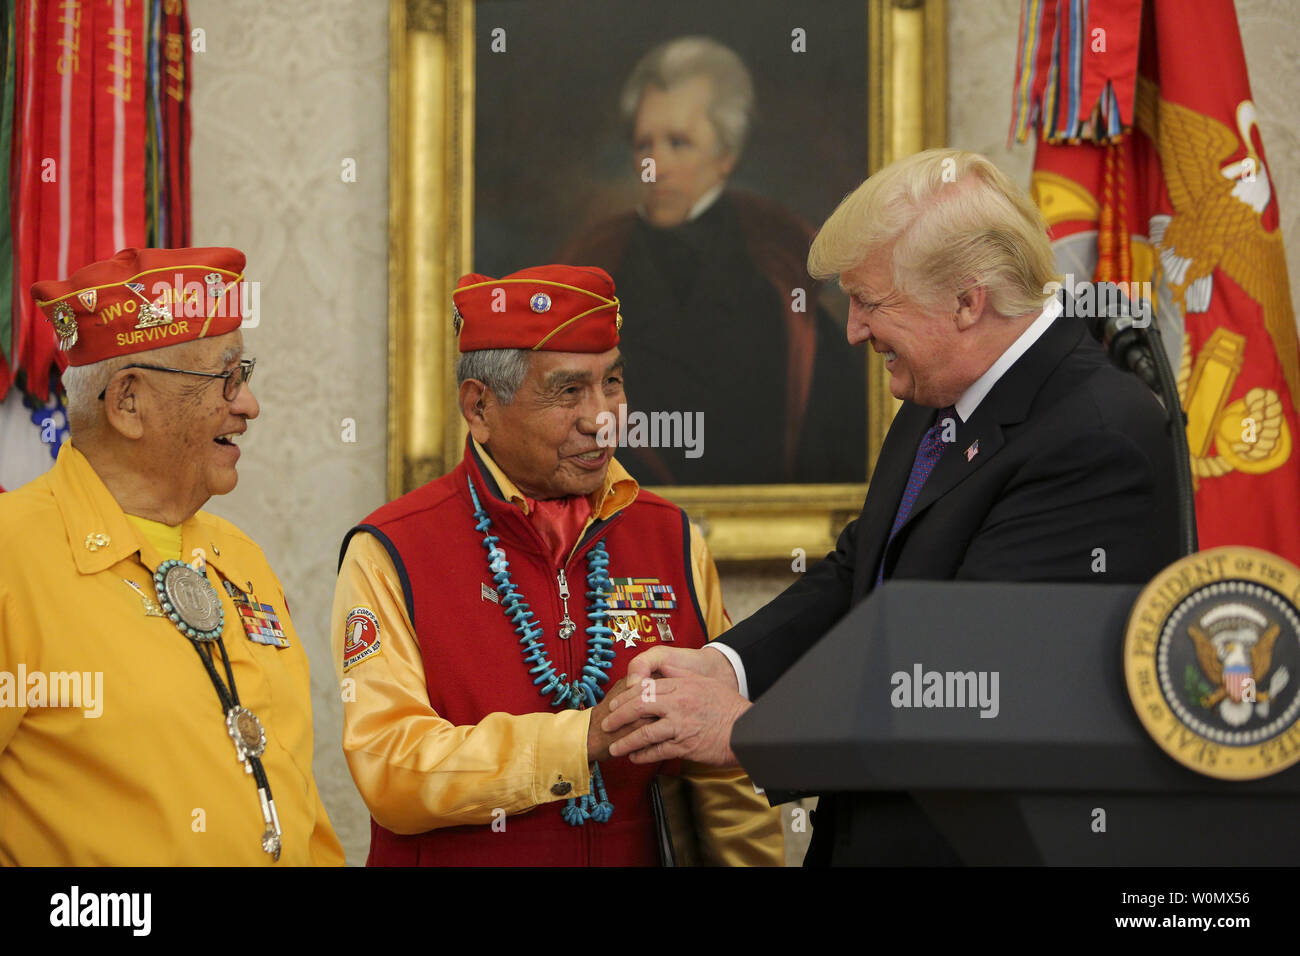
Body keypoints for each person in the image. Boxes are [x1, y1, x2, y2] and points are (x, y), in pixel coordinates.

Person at [600, 149, 1183, 864]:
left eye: (870, 302)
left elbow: (971, 682)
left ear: (968, 302)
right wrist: (726, 665)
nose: (850, 331)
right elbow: (863, 572)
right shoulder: (943, 384)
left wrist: (747, 731)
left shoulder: (1095, 437)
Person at [332, 264, 783, 866]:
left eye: (613, 383)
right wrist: (578, 740)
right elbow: (389, 765)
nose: (602, 417)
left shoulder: (667, 535)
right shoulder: (394, 548)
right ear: (480, 408)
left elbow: (718, 770)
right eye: (569, 392)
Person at [0, 247, 344, 865]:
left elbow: (296, 795)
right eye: (227, 378)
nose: (249, 405)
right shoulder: (12, 557)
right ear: (128, 402)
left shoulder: (241, 559)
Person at [560, 35, 865, 485]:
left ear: (725, 155)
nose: (653, 165)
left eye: (678, 143)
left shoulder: (779, 267)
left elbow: (825, 424)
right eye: (644, 144)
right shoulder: (594, 262)